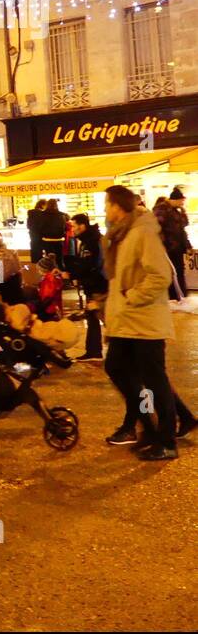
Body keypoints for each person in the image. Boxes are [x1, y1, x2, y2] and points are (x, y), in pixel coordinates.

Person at [101, 184, 197, 460]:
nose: (106, 210)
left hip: (144, 321)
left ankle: (166, 441)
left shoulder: (143, 231)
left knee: (155, 380)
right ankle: (150, 429)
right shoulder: (121, 234)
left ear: (119, 206)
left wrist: (132, 296)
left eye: (108, 204)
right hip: (126, 321)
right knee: (119, 369)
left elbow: (160, 275)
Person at [66, 213, 106, 360]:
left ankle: (127, 352)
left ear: (82, 226)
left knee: (107, 318)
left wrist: (71, 275)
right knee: (93, 317)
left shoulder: (91, 241)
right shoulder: (87, 240)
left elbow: (89, 265)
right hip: (93, 284)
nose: (73, 229)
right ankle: (94, 351)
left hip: (98, 285)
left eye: (74, 226)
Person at [157, 189, 191, 300]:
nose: (182, 203)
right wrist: (162, 245)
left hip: (177, 246)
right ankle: (174, 296)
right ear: (175, 200)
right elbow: (158, 228)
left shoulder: (176, 210)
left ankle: (181, 295)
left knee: (179, 270)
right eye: (181, 200)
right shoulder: (162, 209)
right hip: (169, 247)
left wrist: (183, 210)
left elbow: (184, 224)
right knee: (172, 271)